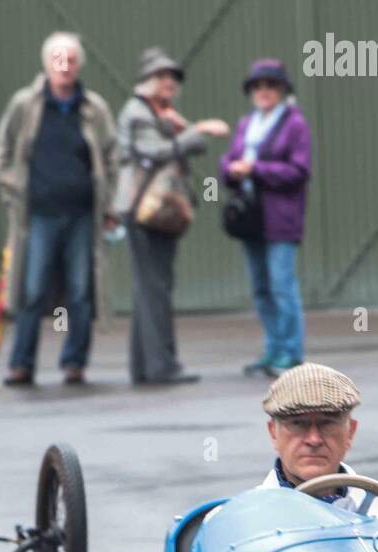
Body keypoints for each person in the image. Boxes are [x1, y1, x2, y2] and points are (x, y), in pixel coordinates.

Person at [0, 32, 118, 386]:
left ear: (79, 66)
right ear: (46, 64)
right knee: (32, 290)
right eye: (58, 59)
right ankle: (22, 364)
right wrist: (12, 190)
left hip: (81, 217)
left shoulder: (93, 109)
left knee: (79, 291)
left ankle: (74, 363)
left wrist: (108, 202)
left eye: (71, 60)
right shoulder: (26, 105)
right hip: (39, 216)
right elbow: (3, 150)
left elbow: (112, 155)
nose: (65, 66)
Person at [114, 47, 229, 384]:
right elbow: (154, 152)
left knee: (150, 288)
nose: (170, 83)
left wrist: (184, 128)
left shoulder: (159, 114)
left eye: (173, 78)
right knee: (155, 288)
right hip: (144, 210)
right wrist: (197, 130)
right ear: (146, 81)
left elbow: (180, 147)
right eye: (162, 77)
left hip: (157, 211)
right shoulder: (137, 113)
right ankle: (162, 366)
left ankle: (143, 366)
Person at [220, 58, 311, 378]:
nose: (264, 91)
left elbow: (299, 171)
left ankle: (291, 351)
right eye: (258, 86)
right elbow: (230, 157)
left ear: (282, 89)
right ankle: (273, 347)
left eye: (271, 85)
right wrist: (230, 169)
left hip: (281, 218)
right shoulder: (247, 124)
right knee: (260, 287)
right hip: (251, 218)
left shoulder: (295, 124)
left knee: (282, 285)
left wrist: (256, 169)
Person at [258, 362, 378, 517]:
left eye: (327, 424)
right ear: (273, 433)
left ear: (350, 432)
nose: (314, 440)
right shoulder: (243, 521)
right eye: (297, 424)